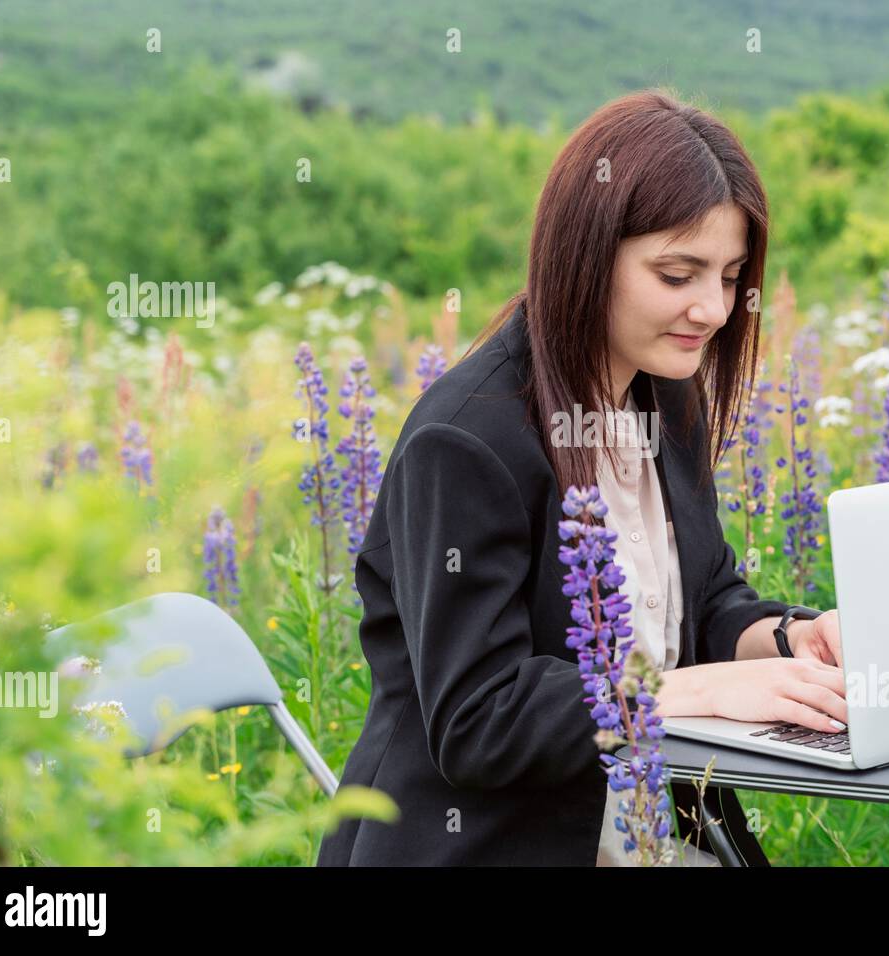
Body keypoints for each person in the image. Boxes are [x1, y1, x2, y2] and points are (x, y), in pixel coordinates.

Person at [317, 88, 847, 867]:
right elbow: (478, 718)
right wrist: (687, 692)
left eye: (731, 277)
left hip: (657, 839)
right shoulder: (466, 440)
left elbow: (701, 602)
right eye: (678, 274)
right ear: (588, 254)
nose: (713, 309)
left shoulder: (663, 392)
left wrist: (789, 637)